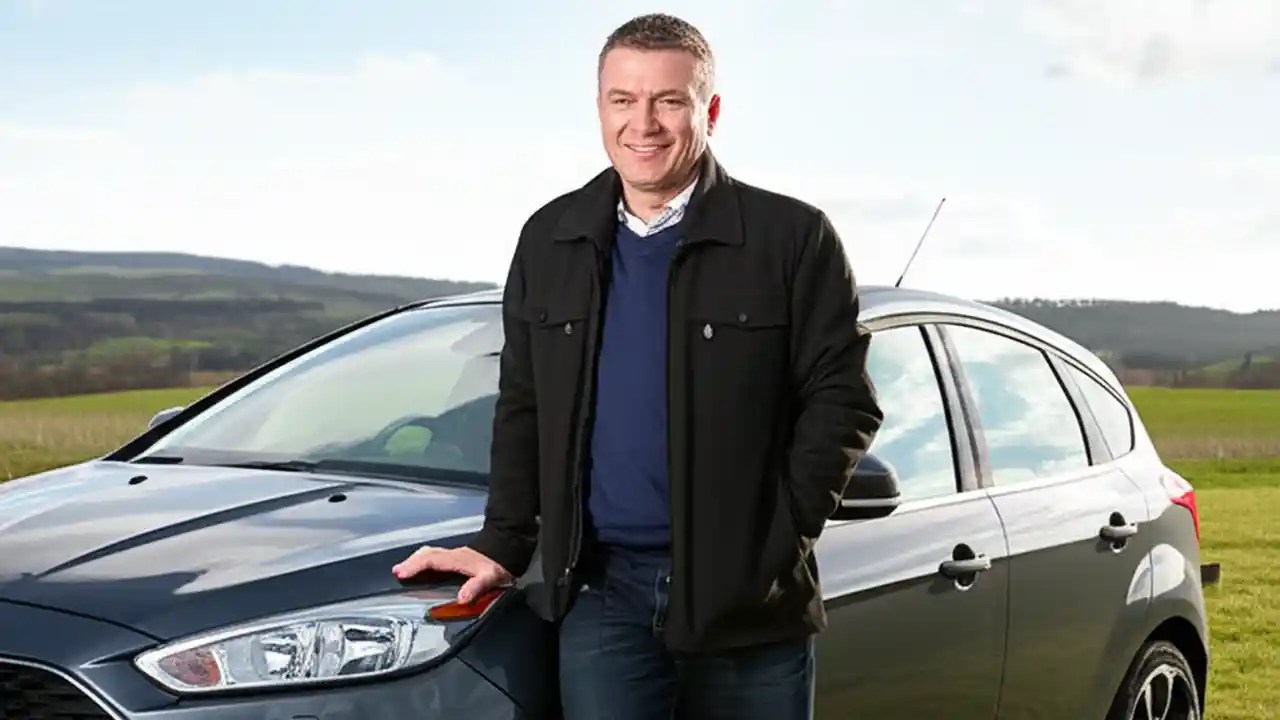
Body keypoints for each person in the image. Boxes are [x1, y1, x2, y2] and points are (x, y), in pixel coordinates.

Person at [393, 12, 883, 719]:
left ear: (709, 111)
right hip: (603, 599)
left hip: (751, 608)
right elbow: (523, 404)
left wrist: (777, 538)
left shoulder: (789, 239)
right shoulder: (550, 239)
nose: (643, 123)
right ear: (600, 109)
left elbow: (843, 401)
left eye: (669, 101)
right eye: (624, 100)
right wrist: (502, 542)